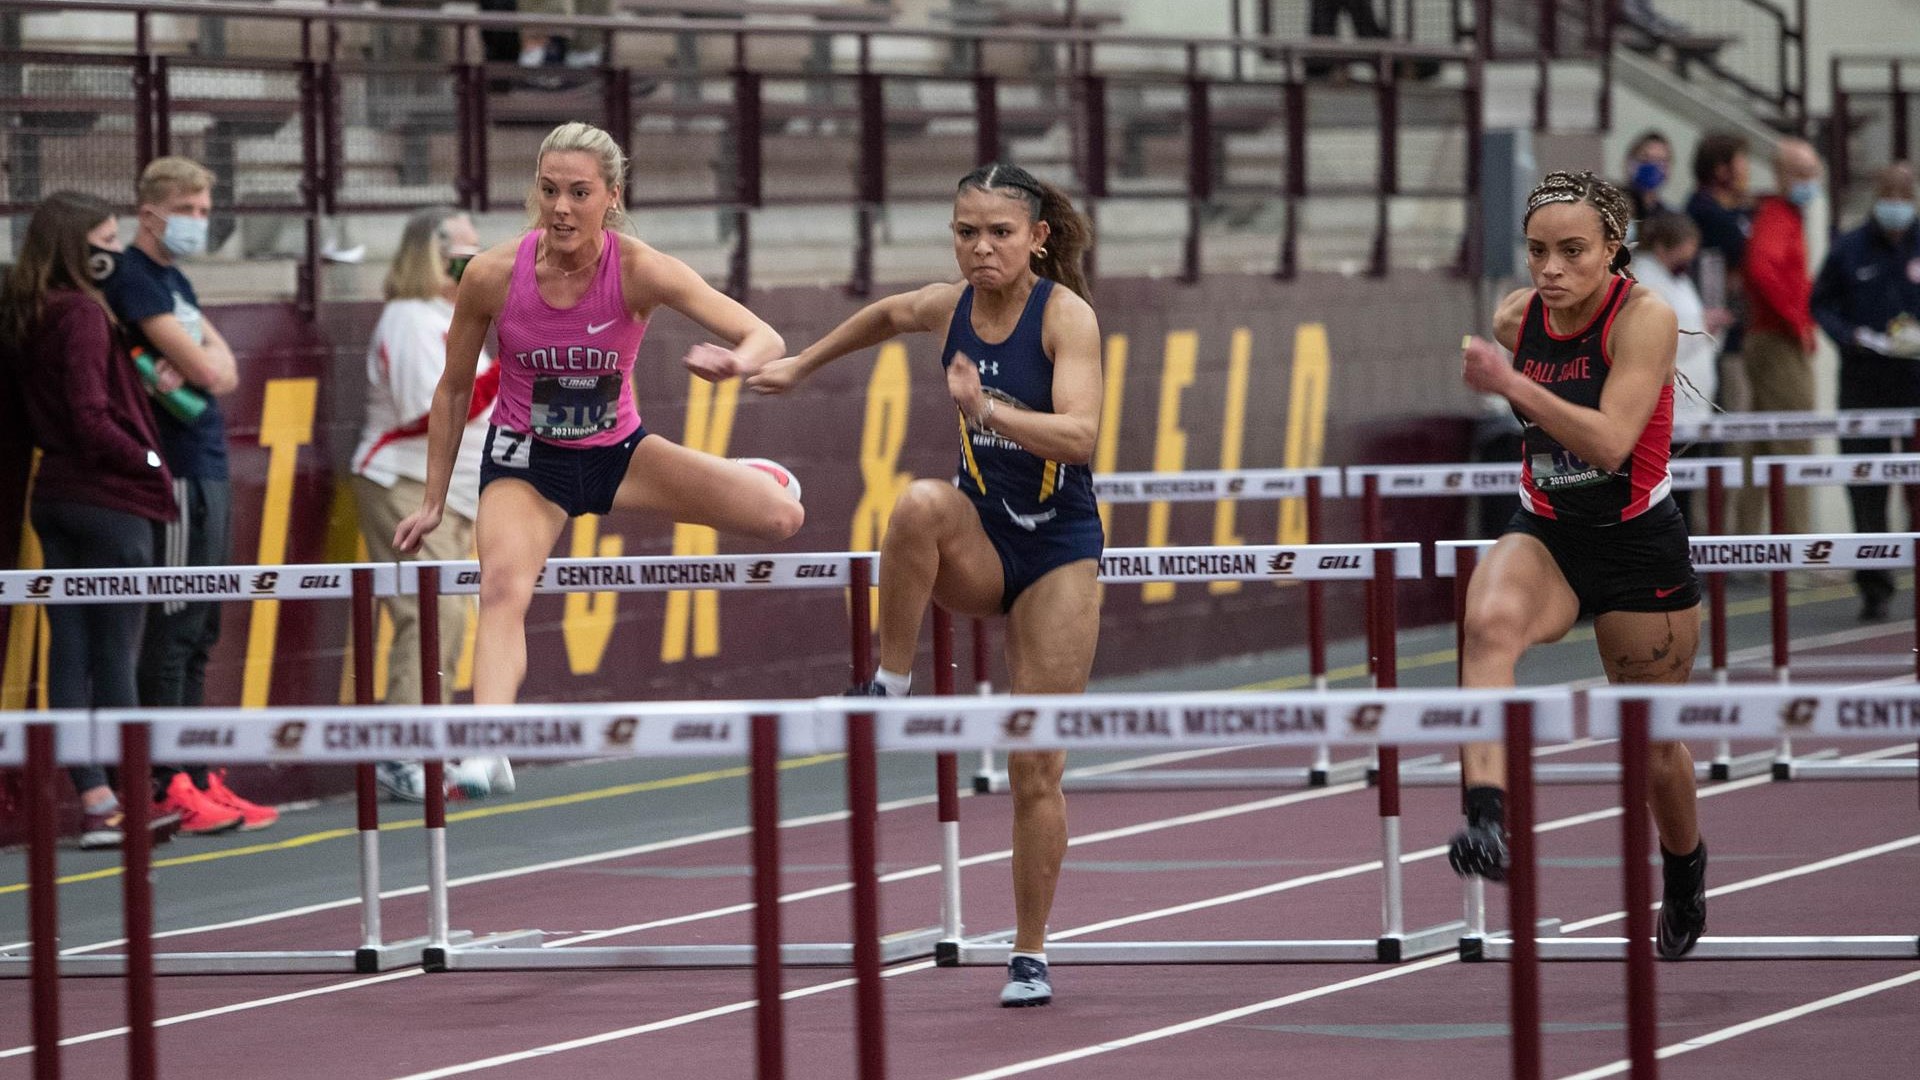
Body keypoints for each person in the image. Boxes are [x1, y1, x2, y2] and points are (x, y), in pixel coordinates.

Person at [749, 162, 1104, 1007]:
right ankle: (889, 684)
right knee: (913, 505)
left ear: (1037, 239)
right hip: (979, 538)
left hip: (1059, 549)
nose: (981, 249)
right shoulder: (949, 307)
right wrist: (801, 366)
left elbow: (1082, 437)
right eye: (965, 233)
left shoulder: (1067, 317)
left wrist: (990, 412)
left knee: (1034, 768)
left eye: (1000, 234)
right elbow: (882, 315)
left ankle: (1028, 951)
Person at [391, 121, 803, 798]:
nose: (559, 208)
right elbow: (453, 388)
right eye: (548, 190)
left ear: (611, 197)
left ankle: (753, 476)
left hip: (618, 454)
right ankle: (486, 745)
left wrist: (736, 362)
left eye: (577, 193)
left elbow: (764, 334)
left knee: (782, 519)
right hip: (526, 462)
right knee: (501, 588)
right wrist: (435, 499)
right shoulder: (493, 274)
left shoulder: (639, 269)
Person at [1454, 172, 1709, 960]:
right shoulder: (1515, 317)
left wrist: (1513, 385)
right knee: (1488, 623)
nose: (1552, 270)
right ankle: (1486, 816)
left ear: (1612, 250)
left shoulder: (1646, 318)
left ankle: (1686, 865)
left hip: (1637, 540)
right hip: (1550, 530)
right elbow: (1523, 355)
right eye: (1538, 253)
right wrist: (1515, 371)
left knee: (1651, 745)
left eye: (1573, 252)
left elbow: (1608, 443)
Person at [0, 193, 181, 850]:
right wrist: (148, 456)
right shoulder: (79, 312)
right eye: (105, 241)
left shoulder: (26, 310)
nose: (115, 252)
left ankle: (96, 797)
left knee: (68, 651)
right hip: (109, 499)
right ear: (79, 248)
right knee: (113, 653)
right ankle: (120, 801)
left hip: (53, 495)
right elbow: (87, 414)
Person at [103, 156, 269, 834]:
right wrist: (202, 365)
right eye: (190, 211)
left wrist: (206, 366)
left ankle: (197, 775)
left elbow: (222, 371)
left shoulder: (175, 279)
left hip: (209, 463)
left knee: (203, 626)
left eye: (206, 211)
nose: (200, 222)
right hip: (172, 472)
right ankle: (166, 781)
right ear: (150, 213)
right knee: (172, 627)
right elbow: (205, 364)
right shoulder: (133, 279)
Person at [353, 207, 500, 800]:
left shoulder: (446, 315)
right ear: (430, 254)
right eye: (461, 248)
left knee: (450, 614)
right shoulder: (410, 318)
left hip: (449, 493)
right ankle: (404, 750)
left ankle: (427, 740)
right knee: (430, 611)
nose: (473, 258)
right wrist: (509, 373)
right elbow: (429, 409)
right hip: (403, 484)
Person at [1812, 162, 1920, 622]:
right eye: (1888, 192)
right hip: (1864, 380)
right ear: (1877, 195)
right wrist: (1849, 335)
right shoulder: (1849, 247)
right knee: (1867, 485)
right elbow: (1820, 303)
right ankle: (1874, 586)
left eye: (1904, 193)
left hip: (1915, 378)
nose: (1895, 201)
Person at [1740, 137, 1825, 536]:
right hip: (1778, 341)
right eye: (1804, 173)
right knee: (1795, 445)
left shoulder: (1782, 215)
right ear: (1783, 174)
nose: (1813, 181)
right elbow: (1761, 270)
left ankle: (1745, 540)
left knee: (1760, 447)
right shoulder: (1777, 216)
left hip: (1769, 338)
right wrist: (1797, 321)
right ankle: (1800, 549)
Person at [1634, 211, 1733, 531]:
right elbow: (1657, 337)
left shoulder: (1676, 277)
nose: (1689, 255)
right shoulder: (1645, 281)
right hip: (1670, 407)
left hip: (1692, 407)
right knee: (1670, 495)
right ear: (1663, 247)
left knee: (1687, 495)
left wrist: (1707, 325)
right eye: (1685, 247)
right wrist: (1702, 325)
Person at [1621, 130, 1675, 220]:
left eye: (1660, 161)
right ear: (1629, 162)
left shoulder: (1669, 218)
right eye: (1646, 159)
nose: (1653, 165)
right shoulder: (1614, 208)